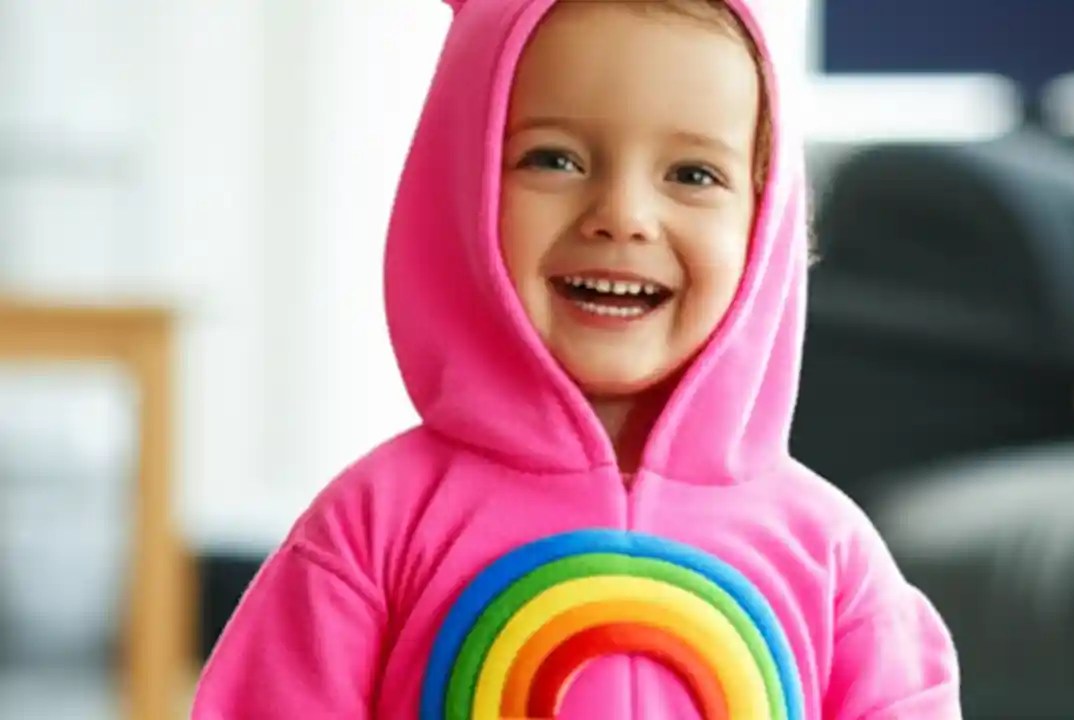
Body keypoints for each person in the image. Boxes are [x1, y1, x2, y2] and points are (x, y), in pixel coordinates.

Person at [191, 0, 960, 717]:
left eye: (693, 175)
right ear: (460, 186)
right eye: (553, 159)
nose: (622, 215)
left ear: (768, 223)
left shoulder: (830, 556)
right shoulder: (374, 527)